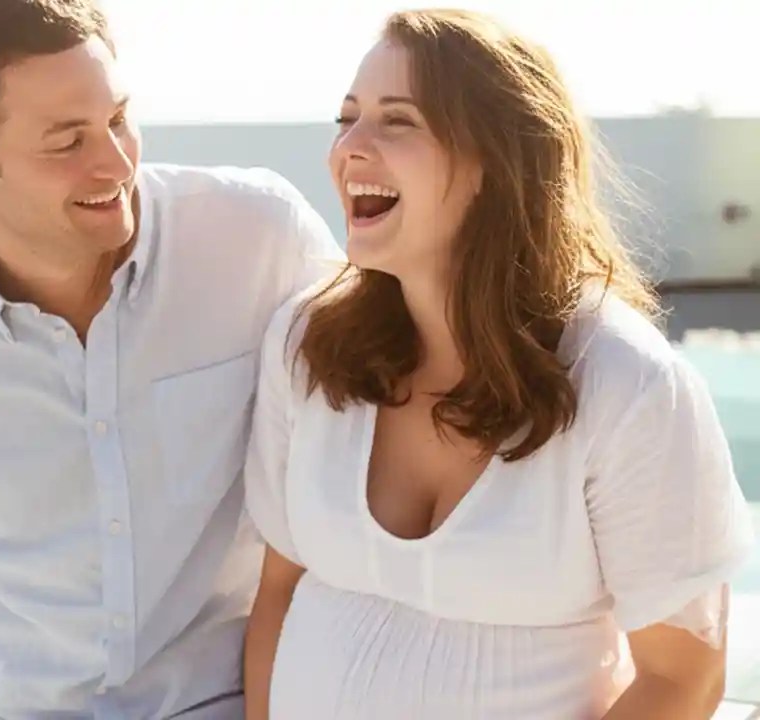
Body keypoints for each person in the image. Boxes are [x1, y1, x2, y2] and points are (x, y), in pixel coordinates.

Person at [0, 0, 341, 717]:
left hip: (229, 701)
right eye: (66, 141)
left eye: (117, 119)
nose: (115, 163)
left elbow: (369, 431)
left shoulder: (259, 238)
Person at [243, 9, 753, 720]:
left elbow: (682, 677)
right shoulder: (307, 344)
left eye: (398, 122)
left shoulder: (626, 383)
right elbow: (277, 593)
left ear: (494, 162)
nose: (349, 148)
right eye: (347, 117)